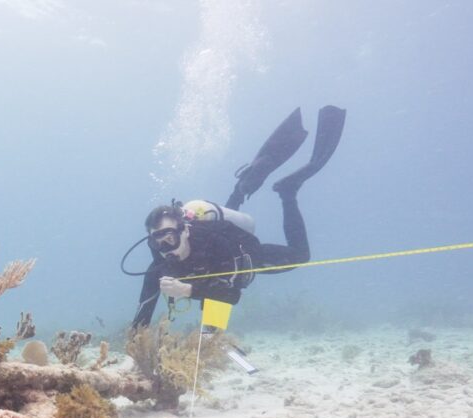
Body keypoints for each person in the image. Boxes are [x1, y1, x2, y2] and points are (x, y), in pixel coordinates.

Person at [129, 106, 346, 329]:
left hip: (244, 254)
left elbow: (228, 294)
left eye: (170, 238)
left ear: (184, 231)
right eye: (158, 242)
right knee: (208, 290)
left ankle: (288, 192)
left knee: (301, 256)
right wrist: (133, 351)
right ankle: (240, 189)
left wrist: (188, 293)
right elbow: (143, 311)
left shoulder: (214, 244)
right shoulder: (160, 264)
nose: (167, 248)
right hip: (216, 259)